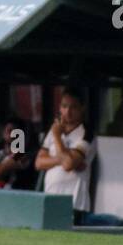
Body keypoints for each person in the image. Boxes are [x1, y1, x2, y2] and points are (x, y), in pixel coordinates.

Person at [35, 89, 96, 224]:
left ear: (82, 108)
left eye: (73, 107)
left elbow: (68, 165)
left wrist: (57, 137)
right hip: (50, 200)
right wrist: (62, 159)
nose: (68, 112)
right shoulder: (54, 129)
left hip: (74, 204)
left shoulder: (86, 133)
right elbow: (39, 163)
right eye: (64, 106)